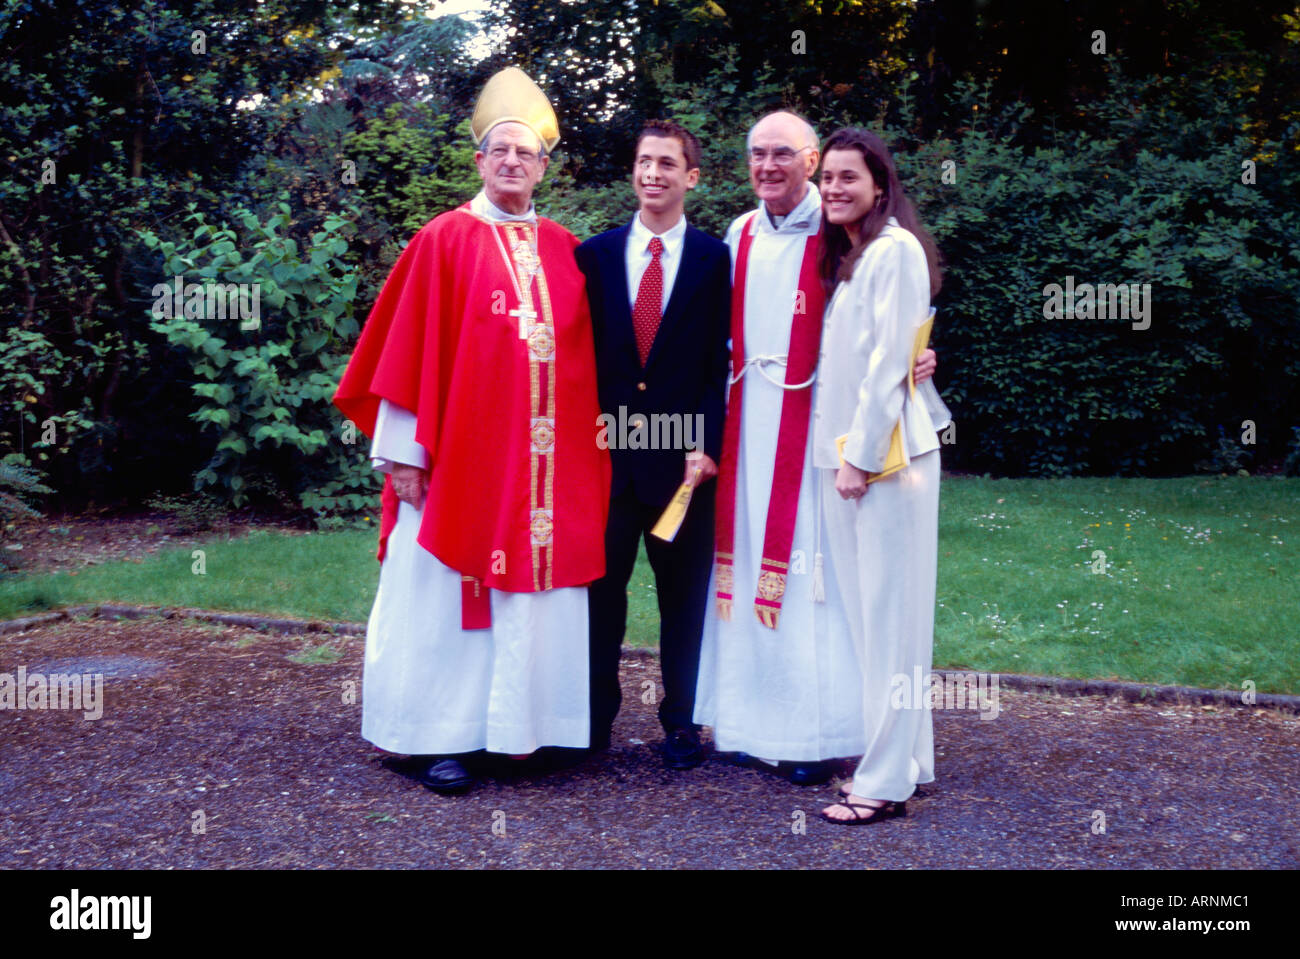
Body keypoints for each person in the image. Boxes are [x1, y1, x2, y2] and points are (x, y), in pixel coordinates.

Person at [332, 67, 610, 794]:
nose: (513, 162)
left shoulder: (565, 249)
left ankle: (520, 733)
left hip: (544, 473)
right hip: (457, 465)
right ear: (479, 161)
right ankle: (438, 739)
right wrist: (402, 454)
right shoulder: (443, 240)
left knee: (532, 595)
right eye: (500, 150)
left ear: (545, 167)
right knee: (441, 597)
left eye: (527, 152)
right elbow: (405, 352)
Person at [693, 111, 937, 785]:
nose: (768, 166)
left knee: (812, 585)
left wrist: (915, 358)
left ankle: (815, 733)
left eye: (785, 155)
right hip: (748, 426)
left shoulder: (836, 237)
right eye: (755, 155)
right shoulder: (738, 232)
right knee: (744, 572)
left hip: (814, 432)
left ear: (807, 162)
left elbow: (878, 332)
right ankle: (748, 726)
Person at [575, 120, 731, 769]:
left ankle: (682, 723)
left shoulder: (714, 258)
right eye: (644, 162)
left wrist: (707, 443)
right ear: (632, 171)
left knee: (684, 599)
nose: (654, 174)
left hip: (682, 465)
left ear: (690, 176)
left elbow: (720, 363)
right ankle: (590, 724)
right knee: (598, 598)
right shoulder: (595, 255)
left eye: (668, 163)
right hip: (605, 460)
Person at [813, 127, 951, 824]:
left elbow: (889, 365)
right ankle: (910, 759)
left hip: (886, 464)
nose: (834, 188)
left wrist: (858, 459)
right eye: (827, 178)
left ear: (879, 184)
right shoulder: (859, 257)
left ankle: (884, 782)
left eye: (848, 178)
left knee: (889, 622)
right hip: (862, 461)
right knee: (879, 623)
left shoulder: (893, 251)